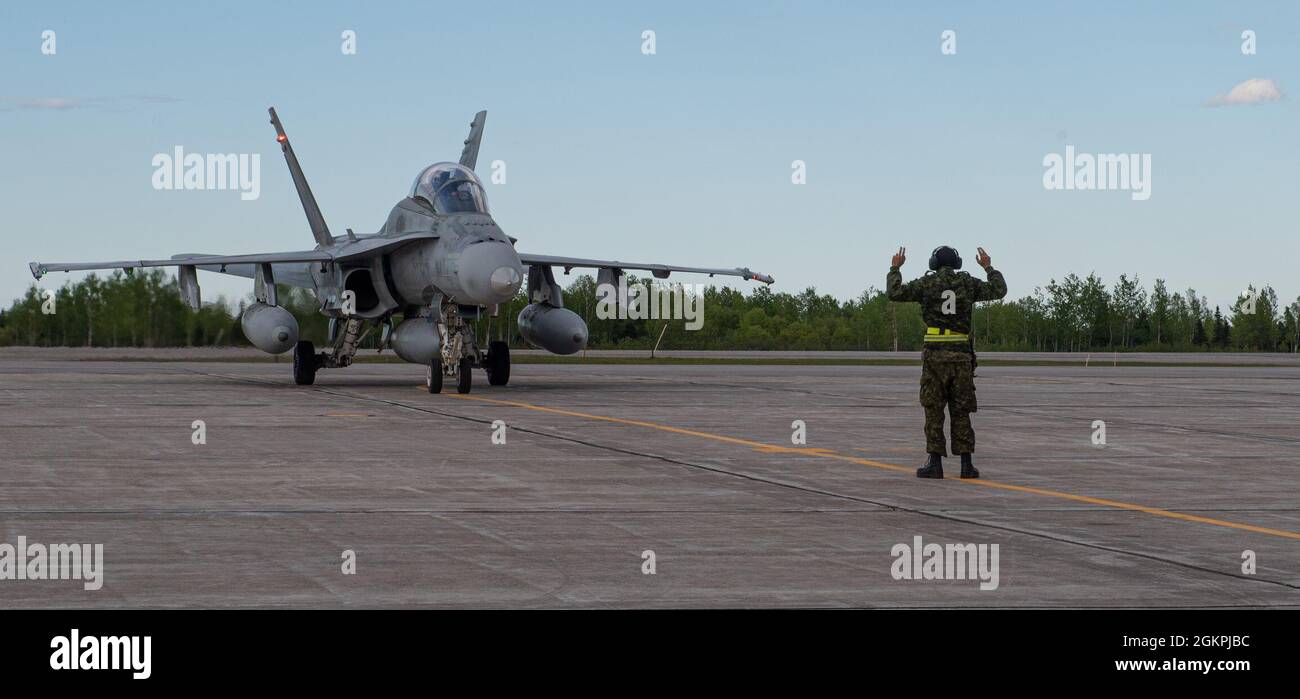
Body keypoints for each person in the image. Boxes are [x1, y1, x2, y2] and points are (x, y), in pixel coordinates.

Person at [887, 245, 1007, 478]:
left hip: (935, 357)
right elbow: (999, 290)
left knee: (934, 410)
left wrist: (895, 268)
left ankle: (935, 463)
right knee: (961, 410)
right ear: (957, 263)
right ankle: (966, 465)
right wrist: (988, 266)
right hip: (961, 357)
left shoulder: (926, 284)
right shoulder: (967, 283)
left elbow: (895, 292)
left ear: (934, 264)